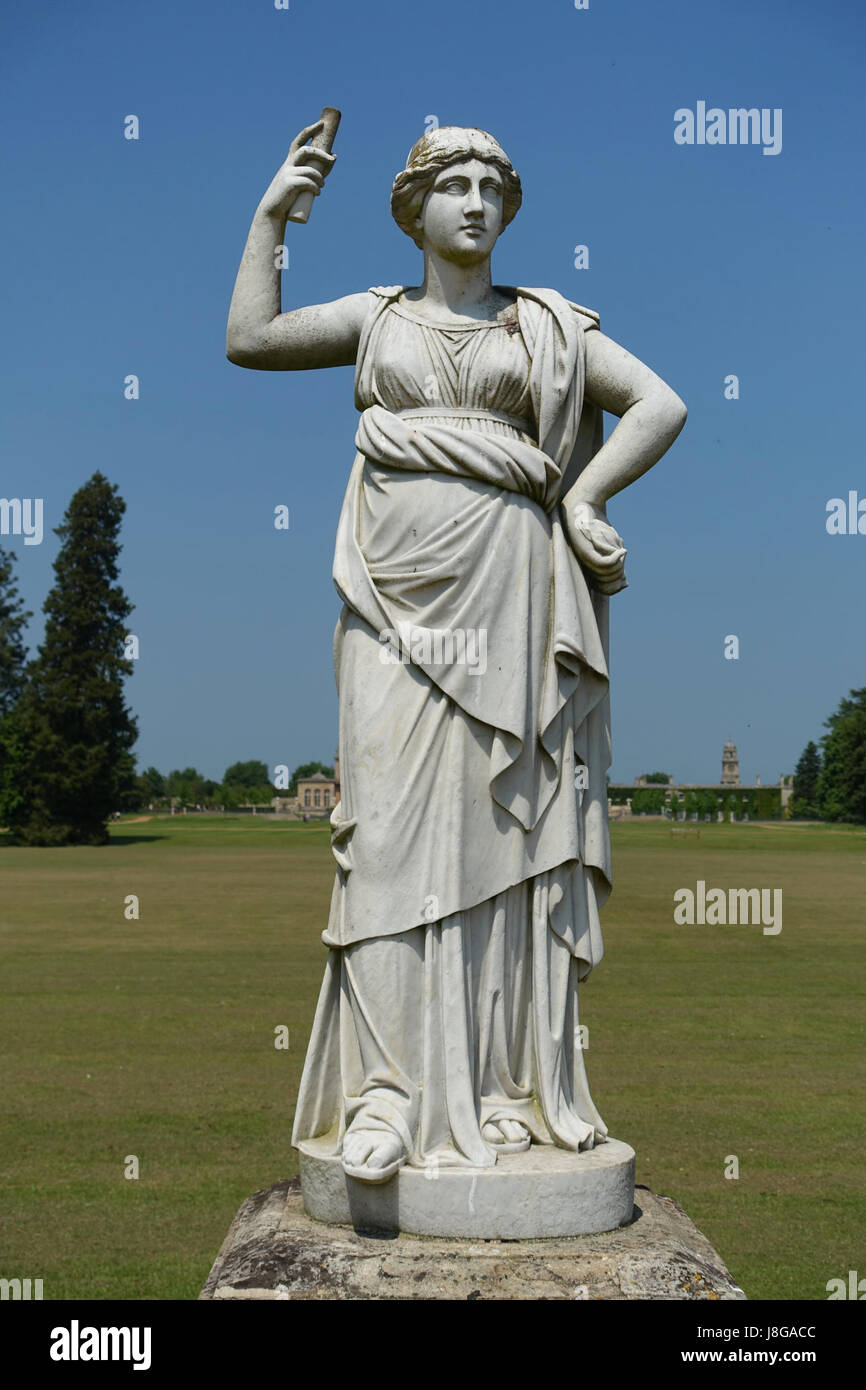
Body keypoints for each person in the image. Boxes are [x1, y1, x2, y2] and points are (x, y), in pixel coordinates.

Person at [227, 122, 686, 1183]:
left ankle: (497, 1087)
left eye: (492, 187)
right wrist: (270, 215)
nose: (475, 202)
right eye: (454, 185)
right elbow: (249, 339)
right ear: (414, 209)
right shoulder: (374, 317)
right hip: (388, 607)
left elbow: (658, 404)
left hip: (514, 599)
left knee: (506, 837)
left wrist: (583, 493)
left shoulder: (543, 327)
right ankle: (388, 1094)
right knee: (382, 837)